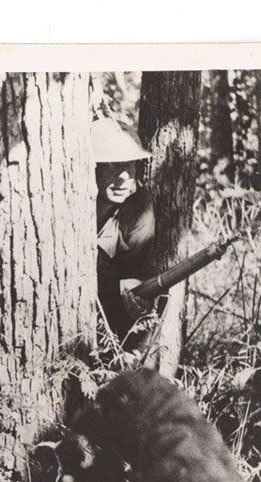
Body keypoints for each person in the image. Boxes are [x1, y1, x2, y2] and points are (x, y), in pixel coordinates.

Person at [91, 118, 161, 346]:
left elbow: (142, 268)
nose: (123, 176)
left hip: (111, 318)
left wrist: (138, 290)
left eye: (129, 164)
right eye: (112, 164)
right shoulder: (71, 204)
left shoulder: (138, 205)